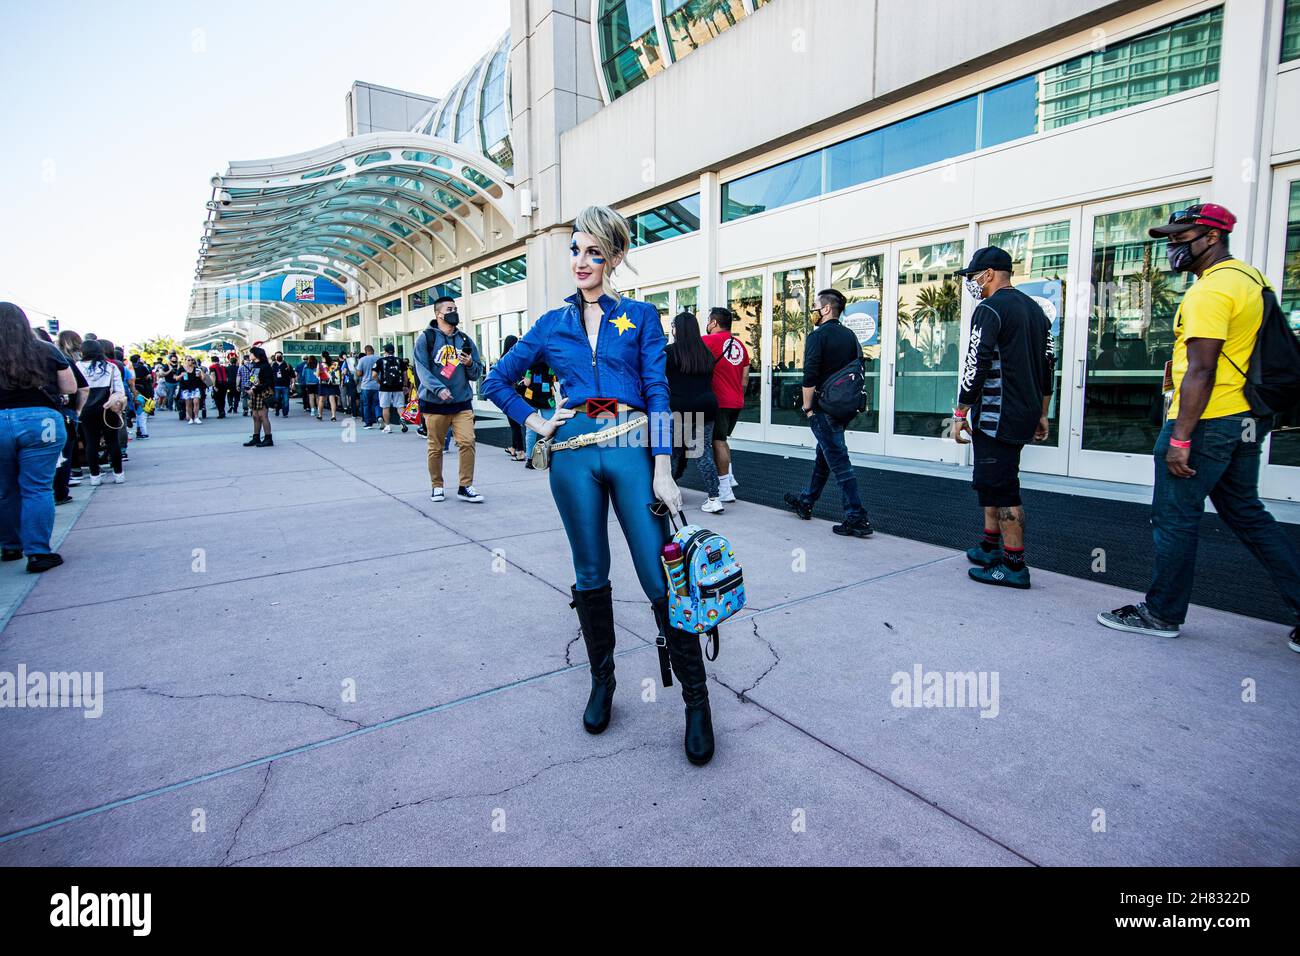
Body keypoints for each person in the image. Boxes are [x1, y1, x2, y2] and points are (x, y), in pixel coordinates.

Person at [481, 205, 712, 766]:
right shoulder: (551, 325)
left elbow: (658, 391)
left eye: (594, 252)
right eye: (576, 250)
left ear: (614, 257)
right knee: (590, 575)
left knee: (661, 578)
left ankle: (697, 702)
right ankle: (602, 682)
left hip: (633, 449)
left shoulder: (639, 316)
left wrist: (663, 466)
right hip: (571, 459)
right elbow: (495, 381)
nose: (582, 262)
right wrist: (538, 421)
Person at [1097, 204, 1300, 650]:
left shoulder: (1210, 291)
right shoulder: (1251, 279)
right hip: (1246, 417)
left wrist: (1181, 438)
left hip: (1207, 420)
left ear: (1211, 237)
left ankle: (1162, 612)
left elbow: (1202, 370)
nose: (1173, 247)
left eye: (1181, 238)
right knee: (1247, 513)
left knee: (1174, 517)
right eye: (1170, 239)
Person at [950, 246, 1055, 589]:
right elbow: (1047, 366)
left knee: (1004, 488)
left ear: (991, 273)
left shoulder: (989, 309)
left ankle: (1013, 565)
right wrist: (1042, 412)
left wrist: (960, 411)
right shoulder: (1036, 311)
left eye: (974, 277)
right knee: (990, 481)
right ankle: (989, 547)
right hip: (1022, 412)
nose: (972, 283)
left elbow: (975, 363)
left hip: (997, 414)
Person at [782, 289, 873, 537]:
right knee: (824, 457)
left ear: (826, 309)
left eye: (814, 307)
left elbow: (810, 375)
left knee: (840, 463)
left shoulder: (818, 336)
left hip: (824, 408)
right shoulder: (850, 336)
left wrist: (808, 408)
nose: (812, 311)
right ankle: (806, 500)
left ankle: (857, 517)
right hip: (844, 407)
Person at [0, 304, 76, 572]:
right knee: (37, 487)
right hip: (40, 420)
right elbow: (70, 386)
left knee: (5, 488)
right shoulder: (45, 349)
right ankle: (38, 553)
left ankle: (10, 546)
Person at [413, 297, 483, 501]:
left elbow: (476, 373)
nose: (454, 312)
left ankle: (465, 485)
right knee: (435, 447)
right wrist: (438, 388)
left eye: (456, 308)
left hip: (461, 403)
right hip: (435, 405)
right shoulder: (426, 339)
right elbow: (421, 370)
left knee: (468, 442)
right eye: (450, 309)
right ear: (439, 314)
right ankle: (437, 485)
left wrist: (470, 363)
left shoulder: (465, 340)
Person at [666, 312, 723, 512]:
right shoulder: (706, 353)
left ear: (677, 329)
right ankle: (715, 497)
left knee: (674, 452)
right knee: (703, 452)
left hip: (680, 409)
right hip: (706, 407)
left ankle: (669, 493)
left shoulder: (669, 353)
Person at [702, 307, 749, 503]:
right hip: (736, 400)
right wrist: (737, 395)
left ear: (713, 323)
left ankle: (725, 489)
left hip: (719, 400)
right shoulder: (741, 345)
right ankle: (729, 476)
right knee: (723, 440)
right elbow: (745, 379)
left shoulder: (708, 341)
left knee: (717, 442)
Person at [77, 339, 127, 484]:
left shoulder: (78, 367)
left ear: (83, 351)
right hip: (108, 409)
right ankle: (118, 473)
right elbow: (119, 390)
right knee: (112, 441)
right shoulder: (111, 367)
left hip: (86, 410)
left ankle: (95, 476)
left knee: (90, 443)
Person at [53, 332, 88, 504]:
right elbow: (79, 388)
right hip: (60, 412)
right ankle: (59, 492)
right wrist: (78, 410)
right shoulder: (58, 358)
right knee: (62, 453)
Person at [518, 358, 558, 468]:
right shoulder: (550, 362)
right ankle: (550, 457)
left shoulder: (531, 362)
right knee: (551, 429)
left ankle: (530, 460)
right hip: (547, 399)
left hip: (531, 399)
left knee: (530, 430)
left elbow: (527, 382)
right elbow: (554, 379)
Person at [243, 347, 276, 447]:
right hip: (254, 392)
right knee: (255, 416)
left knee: (263, 416)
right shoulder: (254, 365)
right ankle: (256, 437)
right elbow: (253, 378)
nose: (250, 355)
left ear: (257, 354)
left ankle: (268, 438)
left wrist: (254, 389)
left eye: (251, 353)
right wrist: (248, 387)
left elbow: (268, 382)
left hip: (262, 393)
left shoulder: (265, 366)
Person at [501, 335, 526, 460]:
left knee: (514, 424)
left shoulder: (504, 360)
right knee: (515, 423)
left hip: (508, 395)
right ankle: (513, 447)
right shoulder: (519, 358)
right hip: (520, 394)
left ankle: (520, 451)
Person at [375, 344, 408, 434]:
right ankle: (402, 420)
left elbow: (374, 374)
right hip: (398, 387)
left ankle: (388, 426)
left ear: (385, 351)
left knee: (385, 407)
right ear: (393, 351)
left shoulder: (380, 361)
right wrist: (405, 385)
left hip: (385, 387)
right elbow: (405, 374)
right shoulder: (400, 360)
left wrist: (379, 382)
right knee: (400, 406)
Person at [176, 356, 204, 425]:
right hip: (186, 388)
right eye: (188, 360)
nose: (190, 361)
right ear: (185, 360)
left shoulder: (197, 369)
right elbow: (176, 378)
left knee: (196, 402)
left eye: (192, 360)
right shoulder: (181, 369)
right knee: (188, 404)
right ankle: (191, 418)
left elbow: (203, 378)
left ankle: (196, 417)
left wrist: (200, 375)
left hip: (195, 387)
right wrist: (181, 375)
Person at [356, 345, 379, 428]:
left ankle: (368, 423)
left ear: (366, 351)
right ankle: (379, 417)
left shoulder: (362, 360)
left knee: (366, 404)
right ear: (373, 350)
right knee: (377, 404)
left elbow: (358, 373)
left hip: (366, 386)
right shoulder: (379, 358)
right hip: (377, 385)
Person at [315, 350, 340, 421]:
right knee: (332, 400)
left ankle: (320, 415)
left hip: (323, 383)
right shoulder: (334, 363)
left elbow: (317, 374)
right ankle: (333, 416)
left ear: (322, 356)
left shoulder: (320, 364)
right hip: (331, 383)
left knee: (321, 400)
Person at [208, 352, 232, 418]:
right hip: (224, 384)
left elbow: (213, 376)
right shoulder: (223, 367)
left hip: (218, 384)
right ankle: (223, 411)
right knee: (222, 398)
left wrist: (214, 385)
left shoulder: (212, 367)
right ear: (218, 361)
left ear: (212, 361)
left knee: (217, 399)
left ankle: (220, 412)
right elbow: (227, 376)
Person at [270, 351, 293, 417]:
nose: (278, 357)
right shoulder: (272, 365)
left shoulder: (287, 365)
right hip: (276, 386)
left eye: (280, 355)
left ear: (282, 356)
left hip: (285, 385)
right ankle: (277, 410)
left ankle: (285, 413)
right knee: (277, 400)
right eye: (277, 356)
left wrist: (293, 384)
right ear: (275, 357)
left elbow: (292, 375)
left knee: (286, 400)